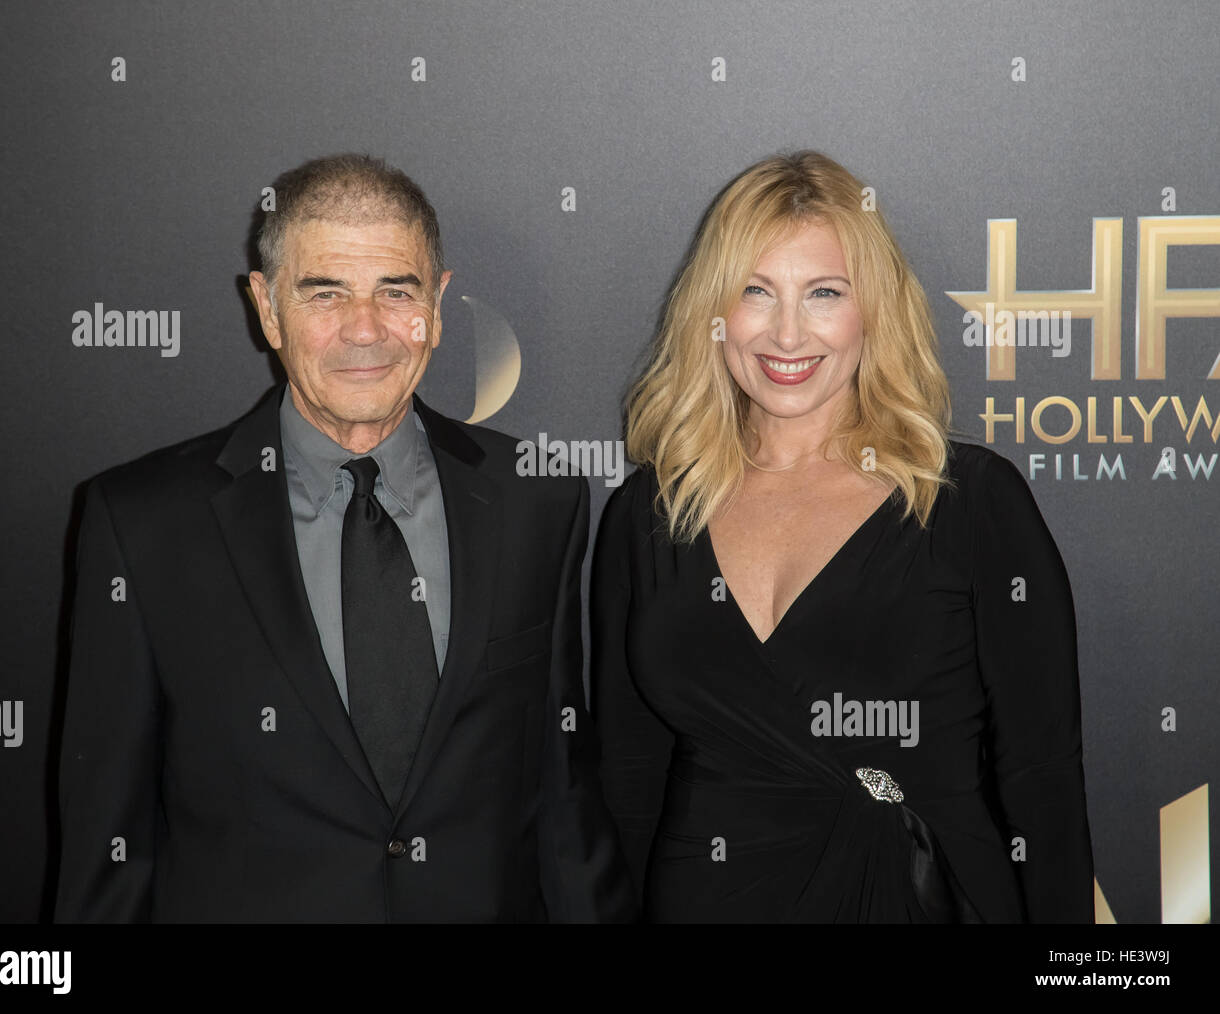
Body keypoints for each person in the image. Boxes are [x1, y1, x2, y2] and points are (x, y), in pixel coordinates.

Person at [55, 153, 633, 922]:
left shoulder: (538, 499)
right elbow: (110, 846)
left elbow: (564, 803)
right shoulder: (142, 524)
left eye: (397, 291)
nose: (365, 329)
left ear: (438, 303)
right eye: (324, 292)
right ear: (266, 308)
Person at [591, 150, 1094, 922]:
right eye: (755, 291)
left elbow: (1042, 779)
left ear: (874, 313)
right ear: (713, 314)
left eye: (824, 293)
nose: (787, 332)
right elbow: (628, 779)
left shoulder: (967, 503)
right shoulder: (650, 513)